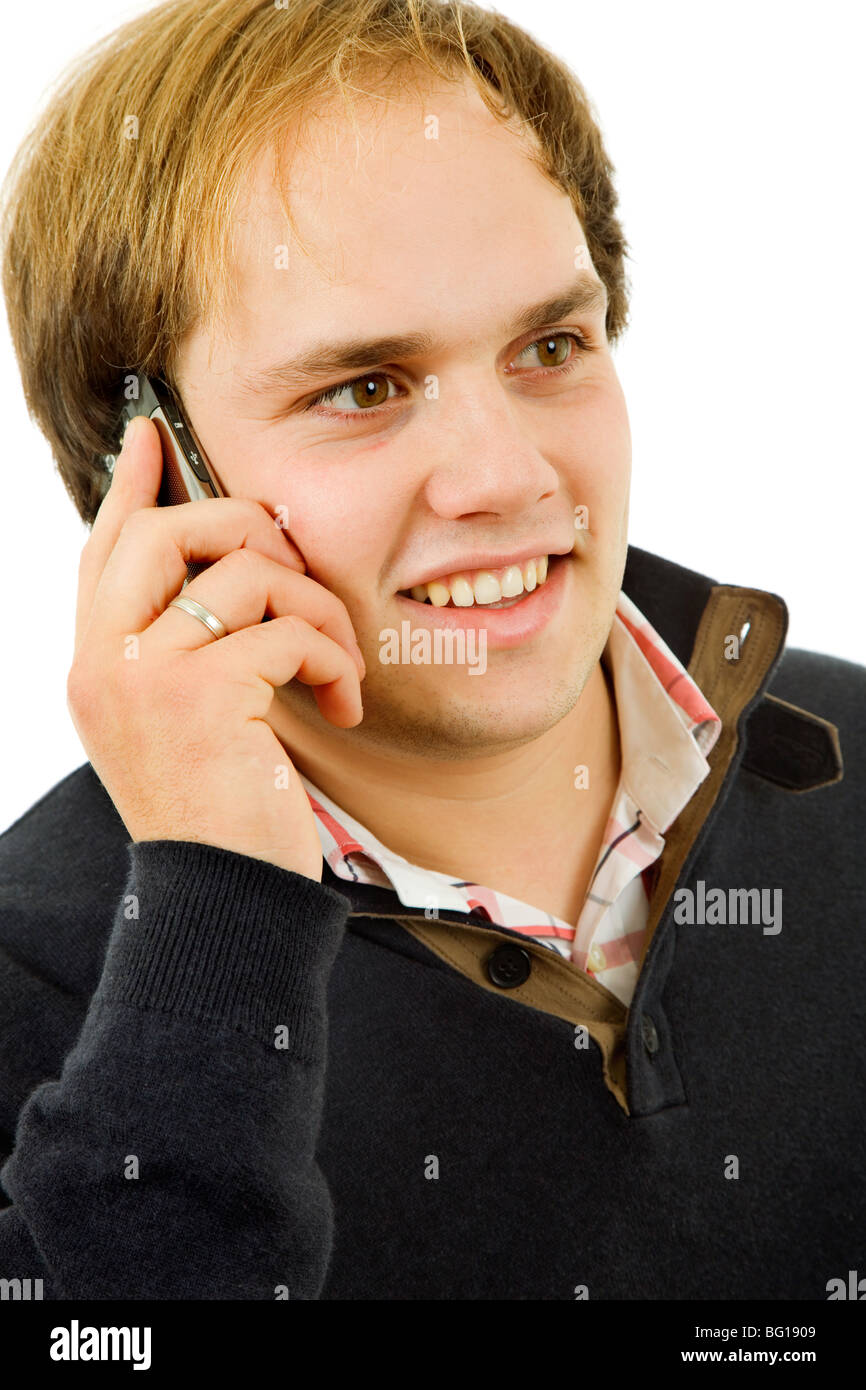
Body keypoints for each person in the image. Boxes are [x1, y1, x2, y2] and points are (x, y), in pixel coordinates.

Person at [0, 0, 861, 1301]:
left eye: (550, 345)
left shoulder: (848, 757)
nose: (506, 476)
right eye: (364, 386)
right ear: (154, 474)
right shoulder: (34, 976)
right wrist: (214, 911)